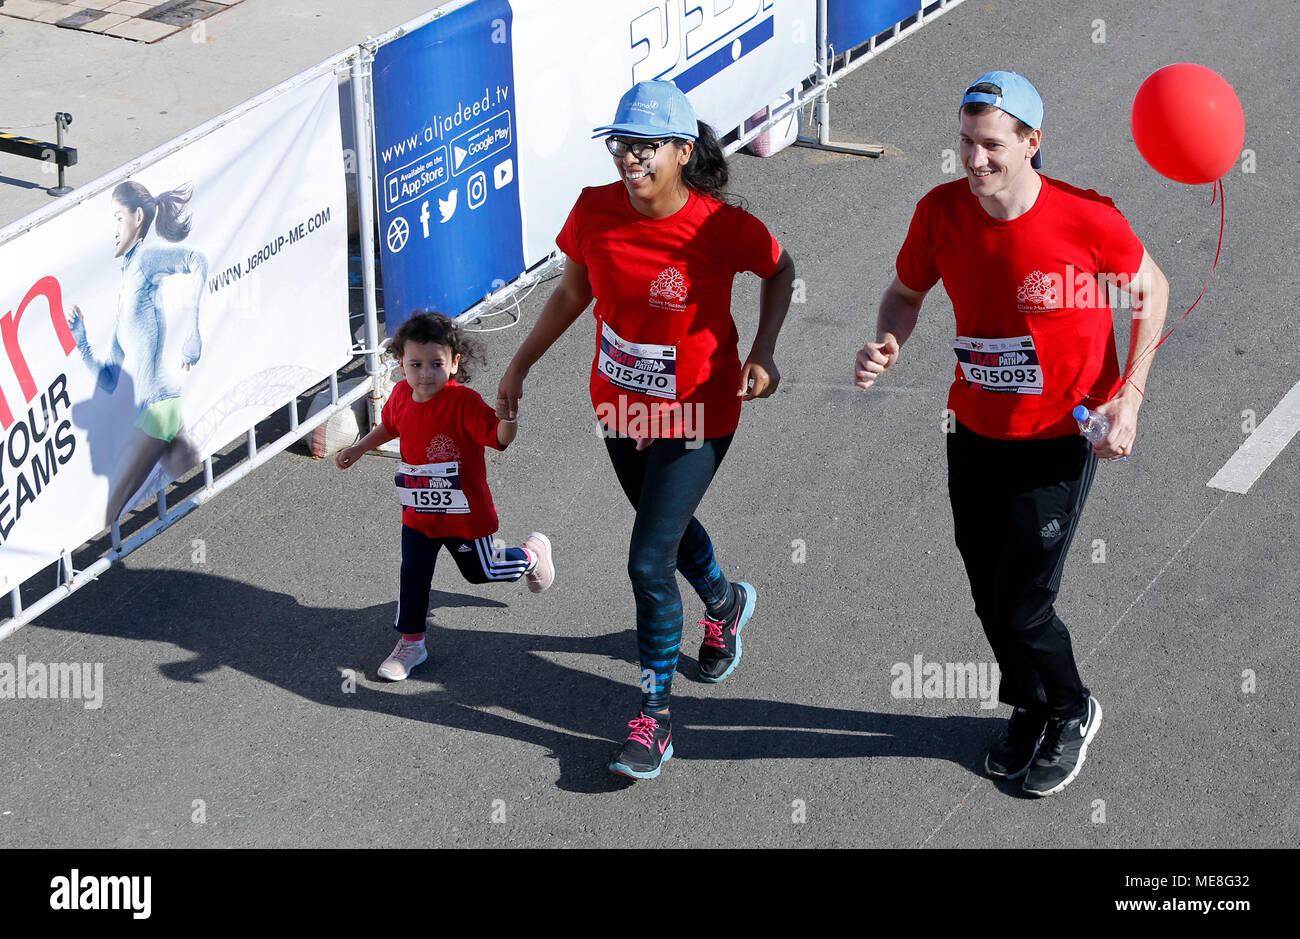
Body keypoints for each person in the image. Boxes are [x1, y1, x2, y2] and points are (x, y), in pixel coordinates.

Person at [854, 71, 1169, 796]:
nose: (973, 159)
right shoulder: (939, 214)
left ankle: (1070, 707)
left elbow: (1151, 289)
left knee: (1024, 599)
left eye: (991, 145)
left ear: (1033, 143)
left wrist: (1131, 398)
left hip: (1061, 433)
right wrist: (888, 342)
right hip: (975, 427)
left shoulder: (1085, 218)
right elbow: (904, 294)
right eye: (965, 141)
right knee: (986, 587)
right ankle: (1028, 703)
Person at [497, 80, 795, 780]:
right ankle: (724, 600)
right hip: (621, 408)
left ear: (683, 151)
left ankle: (654, 719)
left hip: (699, 412)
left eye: (646, 145)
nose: (630, 157)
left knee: (645, 558)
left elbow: (781, 271)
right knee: (663, 529)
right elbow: (574, 292)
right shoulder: (595, 212)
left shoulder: (721, 227)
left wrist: (764, 350)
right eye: (622, 143)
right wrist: (518, 367)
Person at [337, 312, 554, 681]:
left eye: (436, 364)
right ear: (401, 363)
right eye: (415, 364)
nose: (424, 374)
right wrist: (360, 448)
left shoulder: (464, 403)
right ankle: (411, 642)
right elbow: (390, 425)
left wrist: (508, 417)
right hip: (419, 514)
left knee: (482, 572)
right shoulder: (401, 395)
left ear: (454, 363)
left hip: (465, 517)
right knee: (413, 573)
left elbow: (499, 440)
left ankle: (532, 554)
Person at [67, 180, 208, 523]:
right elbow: (110, 379)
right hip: (159, 408)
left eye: (118, 218)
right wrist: (82, 341)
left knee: (109, 510)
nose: (113, 230)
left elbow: (196, 259)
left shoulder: (145, 259)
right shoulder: (127, 281)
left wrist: (194, 331)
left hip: (157, 408)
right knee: (191, 480)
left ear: (138, 216)